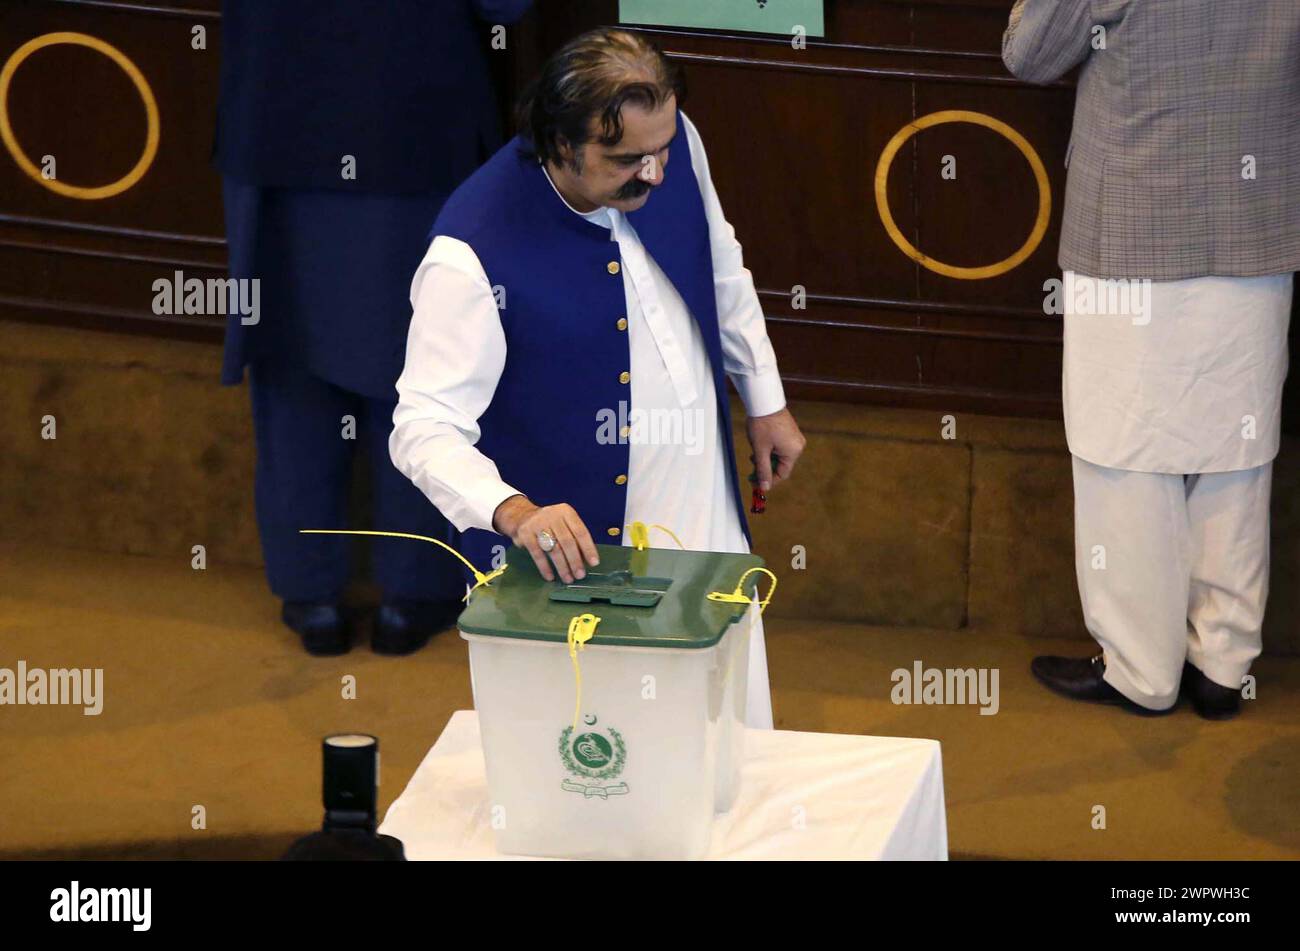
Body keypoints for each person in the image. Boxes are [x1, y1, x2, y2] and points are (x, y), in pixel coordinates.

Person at [390, 28, 806, 728]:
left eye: (661, 150)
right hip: (578, 560)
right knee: (604, 758)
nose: (654, 173)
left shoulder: (666, 141)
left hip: (705, 503)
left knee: (727, 726)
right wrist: (514, 510)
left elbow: (721, 261)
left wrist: (765, 398)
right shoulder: (471, 252)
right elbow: (422, 428)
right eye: (624, 162)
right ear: (558, 143)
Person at [1002, 0, 1299, 717]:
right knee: (1239, 443)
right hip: (1258, 217)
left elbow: (1029, 53)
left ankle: (1141, 667)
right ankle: (1223, 663)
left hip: (1132, 218)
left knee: (1123, 449)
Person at [214, 0, 533, 656]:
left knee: (289, 361)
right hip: (408, 125)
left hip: (274, 119)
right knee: (422, 366)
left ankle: (312, 593)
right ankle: (412, 591)